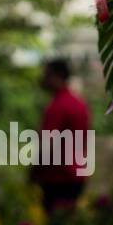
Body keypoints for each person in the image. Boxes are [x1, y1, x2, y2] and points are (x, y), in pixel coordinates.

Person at [33, 58, 91, 215]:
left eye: (46, 75)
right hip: (76, 175)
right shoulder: (79, 103)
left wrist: (34, 171)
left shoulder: (58, 106)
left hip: (58, 177)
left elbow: (48, 144)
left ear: (57, 76)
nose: (43, 79)